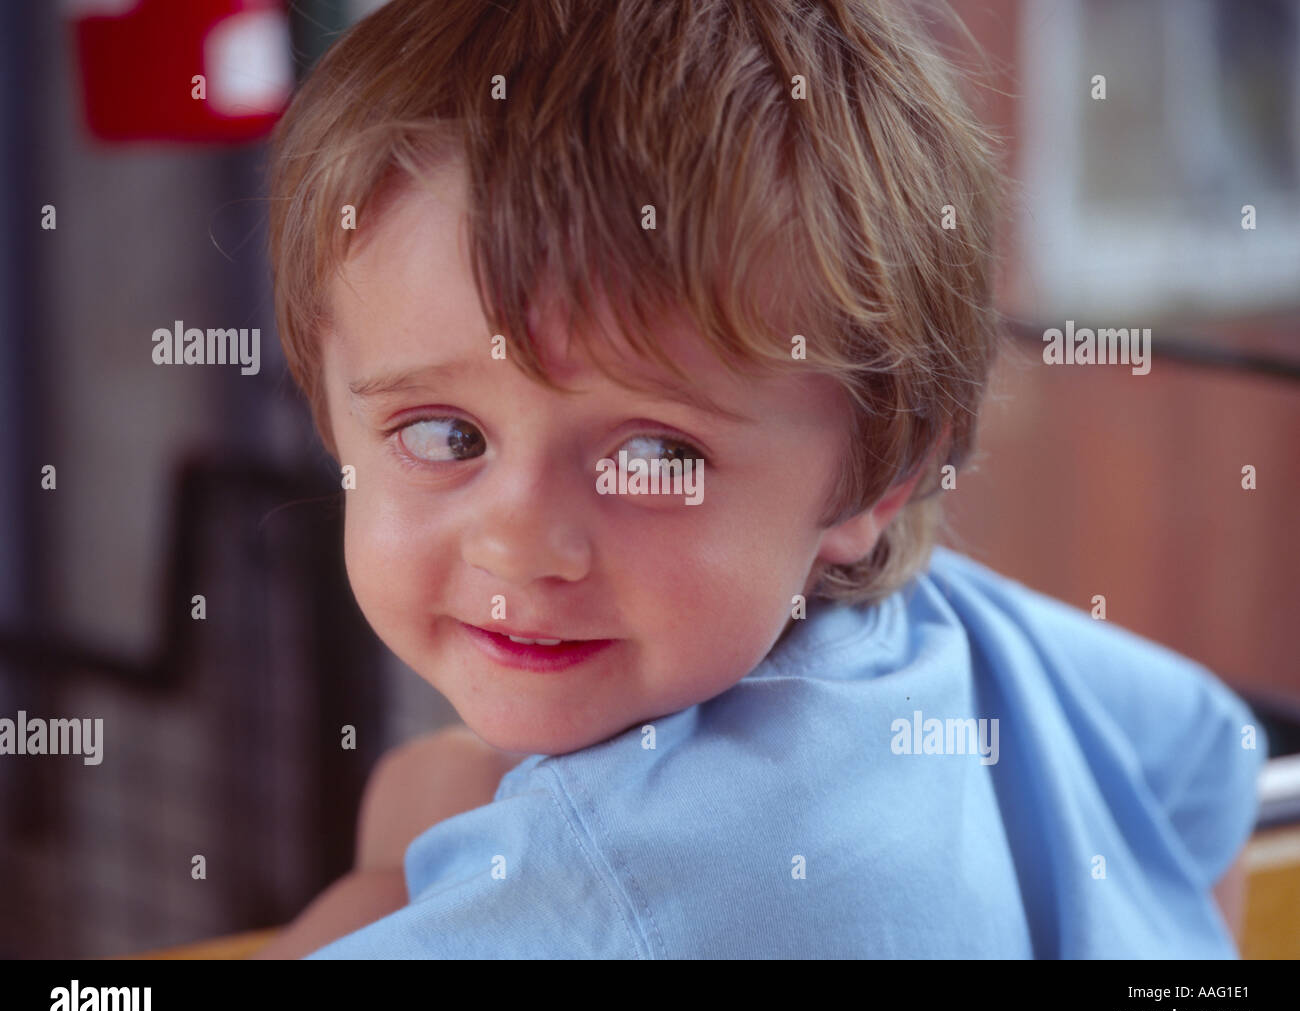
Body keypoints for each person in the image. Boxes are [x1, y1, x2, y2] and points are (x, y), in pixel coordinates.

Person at [251, 0, 1263, 958]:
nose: (518, 542)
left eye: (653, 456)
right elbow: (1202, 764)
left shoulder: (600, 884)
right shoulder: (971, 641)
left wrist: (387, 876)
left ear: (880, 475)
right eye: (444, 434)